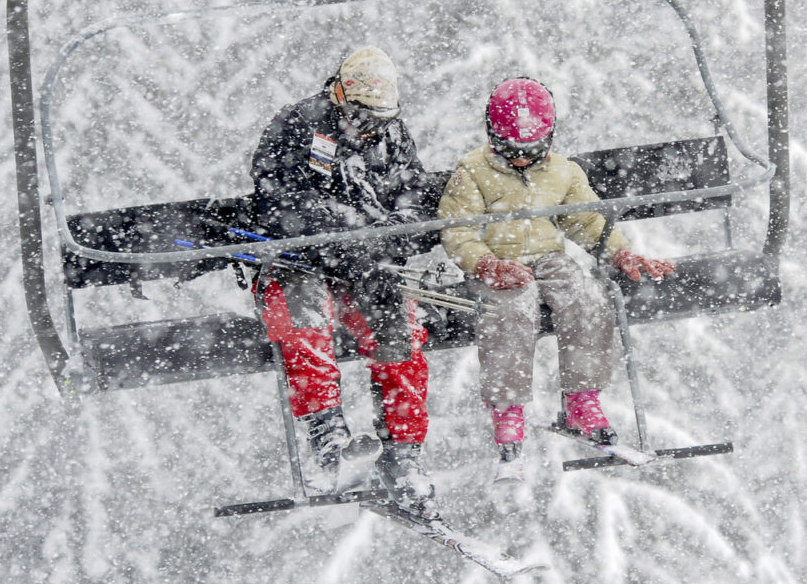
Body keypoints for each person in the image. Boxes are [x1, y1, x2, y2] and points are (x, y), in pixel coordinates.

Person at [436, 77, 675, 484]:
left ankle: (582, 398)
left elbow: (585, 220)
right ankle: (508, 408)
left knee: (586, 297)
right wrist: (485, 264)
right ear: (493, 138)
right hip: (499, 265)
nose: (523, 160)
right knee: (510, 309)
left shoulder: (563, 173)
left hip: (548, 258)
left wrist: (618, 251)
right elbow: (457, 230)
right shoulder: (472, 172)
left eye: (532, 151)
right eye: (512, 152)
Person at [250, 46, 440, 516]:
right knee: (302, 323)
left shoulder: (392, 138)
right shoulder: (298, 125)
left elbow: (411, 193)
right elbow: (278, 196)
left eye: (378, 119)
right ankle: (328, 436)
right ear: (339, 94)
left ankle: (404, 453)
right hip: (302, 260)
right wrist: (339, 228)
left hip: (369, 265)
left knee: (400, 330)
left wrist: (395, 231)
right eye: (359, 115)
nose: (366, 127)